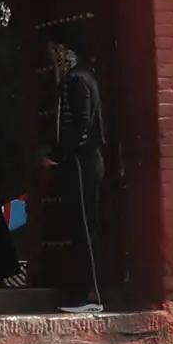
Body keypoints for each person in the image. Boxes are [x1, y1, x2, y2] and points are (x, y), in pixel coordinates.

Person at [45, 32, 111, 307]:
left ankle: (93, 294)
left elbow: (82, 125)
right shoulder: (85, 78)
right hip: (81, 160)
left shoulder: (77, 80)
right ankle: (84, 290)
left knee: (85, 226)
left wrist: (58, 155)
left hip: (82, 161)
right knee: (80, 226)